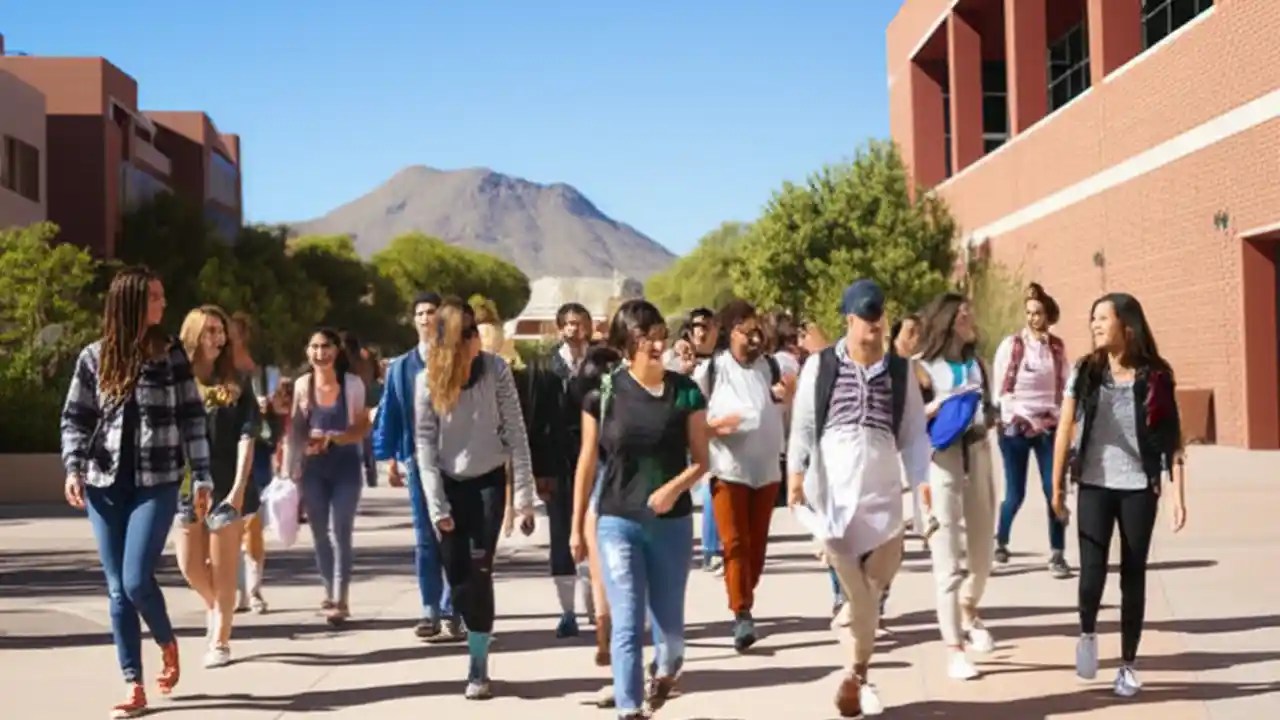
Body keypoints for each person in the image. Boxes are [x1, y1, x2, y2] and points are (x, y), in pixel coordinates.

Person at [60, 267, 209, 718]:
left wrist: (201, 474)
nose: (164, 304)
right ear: (132, 304)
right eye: (156, 298)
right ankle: (134, 684)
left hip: (158, 480)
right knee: (117, 591)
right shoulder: (94, 357)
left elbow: (192, 417)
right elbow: (75, 418)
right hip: (103, 485)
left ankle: (166, 640)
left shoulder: (170, 355)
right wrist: (72, 467)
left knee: (134, 579)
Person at [787, 280, 930, 717]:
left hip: (883, 497)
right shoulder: (821, 366)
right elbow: (804, 426)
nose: (874, 324)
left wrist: (921, 485)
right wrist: (795, 476)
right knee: (859, 593)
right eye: (865, 317)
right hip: (833, 500)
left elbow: (913, 438)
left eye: (879, 316)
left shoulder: (900, 372)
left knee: (875, 586)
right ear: (848, 319)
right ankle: (859, 674)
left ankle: (855, 663)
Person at [569, 299, 710, 720]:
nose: (655, 343)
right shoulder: (604, 392)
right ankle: (629, 709)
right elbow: (588, 460)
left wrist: (673, 488)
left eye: (658, 334)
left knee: (672, 642)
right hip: (617, 521)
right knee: (627, 623)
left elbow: (703, 460)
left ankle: (663, 675)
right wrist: (577, 527)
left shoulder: (686, 391)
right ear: (626, 344)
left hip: (671, 525)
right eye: (644, 337)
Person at [1050, 293, 1187, 697]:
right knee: (1091, 576)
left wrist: (1179, 494)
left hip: (1138, 489)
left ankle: (1128, 663)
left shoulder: (1157, 375)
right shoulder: (1086, 370)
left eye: (1102, 318)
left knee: (1133, 576)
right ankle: (1088, 632)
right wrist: (1056, 486)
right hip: (1093, 484)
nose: (1094, 325)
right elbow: (1065, 428)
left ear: (1127, 325)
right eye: (1092, 318)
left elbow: (1172, 439)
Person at [414, 298, 537, 700]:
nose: (476, 339)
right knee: (458, 575)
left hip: (487, 482)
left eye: (476, 331)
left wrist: (523, 497)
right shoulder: (426, 381)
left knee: (480, 571)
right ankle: (473, 630)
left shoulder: (496, 370)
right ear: (449, 339)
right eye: (468, 332)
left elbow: (516, 432)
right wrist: (437, 505)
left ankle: (478, 663)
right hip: (448, 485)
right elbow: (425, 447)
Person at [694, 300, 792, 652]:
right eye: (747, 331)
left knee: (757, 548)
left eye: (758, 331)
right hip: (728, 470)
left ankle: (744, 594)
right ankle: (742, 614)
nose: (754, 338)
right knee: (734, 544)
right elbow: (693, 419)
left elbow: (781, 404)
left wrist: (785, 395)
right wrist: (716, 427)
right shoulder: (712, 370)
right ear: (730, 333)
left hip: (766, 470)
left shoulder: (770, 366)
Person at [916, 292, 997, 681]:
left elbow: (991, 409)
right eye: (964, 315)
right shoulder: (923, 369)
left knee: (983, 555)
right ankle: (954, 648)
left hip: (979, 451)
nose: (971, 320)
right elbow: (909, 424)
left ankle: (970, 608)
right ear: (947, 322)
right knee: (946, 557)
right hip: (940, 460)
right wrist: (937, 409)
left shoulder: (979, 363)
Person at [174, 305, 260, 669]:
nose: (217, 337)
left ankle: (221, 639)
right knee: (190, 566)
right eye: (209, 330)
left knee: (224, 569)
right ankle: (217, 606)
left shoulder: (238, 380)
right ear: (193, 335)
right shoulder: (175, 379)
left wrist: (239, 486)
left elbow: (248, 432)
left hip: (227, 484)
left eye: (220, 330)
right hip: (185, 485)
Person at [372, 292, 458, 641]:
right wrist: (390, 457)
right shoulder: (401, 367)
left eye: (431, 312)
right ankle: (429, 609)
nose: (425, 318)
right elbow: (390, 412)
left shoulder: (455, 360)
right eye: (420, 313)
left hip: (456, 459)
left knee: (454, 534)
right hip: (415, 458)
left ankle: (455, 606)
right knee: (425, 537)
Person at [284, 328, 370, 625]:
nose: (321, 353)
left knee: (342, 528)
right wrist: (289, 469)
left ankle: (341, 598)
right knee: (319, 531)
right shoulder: (302, 385)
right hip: (312, 467)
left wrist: (337, 439)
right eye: (315, 347)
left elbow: (362, 427)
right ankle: (328, 589)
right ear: (308, 352)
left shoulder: (353, 385)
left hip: (345, 462)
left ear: (337, 350)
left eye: (326, 347)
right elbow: (295, 429)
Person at [524, 302, 597, 638]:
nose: (573, 330)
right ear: (559, 328)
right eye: (567, 324)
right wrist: (539, 472)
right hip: (557, 463)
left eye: (579, 324)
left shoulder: (602, 365)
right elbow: (535, 422)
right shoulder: (544, 367)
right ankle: (567, 611)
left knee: (596, 532)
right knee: (560, 536)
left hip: (596, 458)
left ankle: (595, 607)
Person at [993, 283, 1072, 578]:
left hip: (1049, 426)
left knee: (1054, 490)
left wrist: (1065, 418)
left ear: (1048, 315)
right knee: (1015, 494)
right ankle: (1001, 540)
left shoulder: (1056, 348)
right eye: (1028, 312)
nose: (1032, 318)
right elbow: (1000, 388)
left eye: (1037, 312)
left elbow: (1066, 384)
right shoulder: (1012, 345)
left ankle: (1057, 553)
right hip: (1016, 426)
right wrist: (1010, 416)